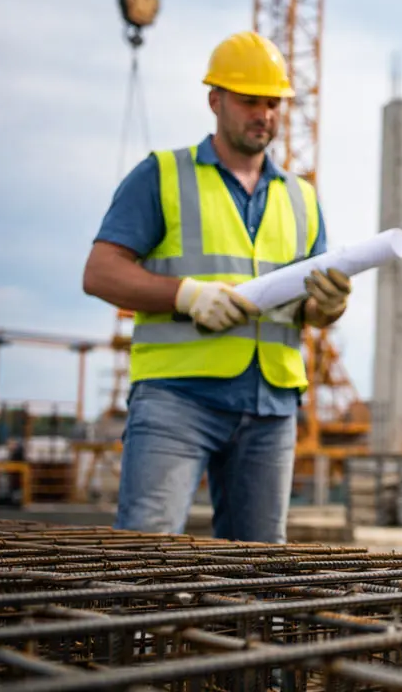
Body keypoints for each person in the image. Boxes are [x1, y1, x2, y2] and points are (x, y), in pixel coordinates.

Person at [83, 31, 353, 543]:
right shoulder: (162, 175)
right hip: (176, 399)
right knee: (147, 552)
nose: (264, 113)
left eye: (272, 102)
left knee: (254, 571)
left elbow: (308, 309)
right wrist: (186, 295)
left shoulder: (301, 197)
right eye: (250, 100)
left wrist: (330, 307)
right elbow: (100, 272)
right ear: (215, 100)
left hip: (271, 406)